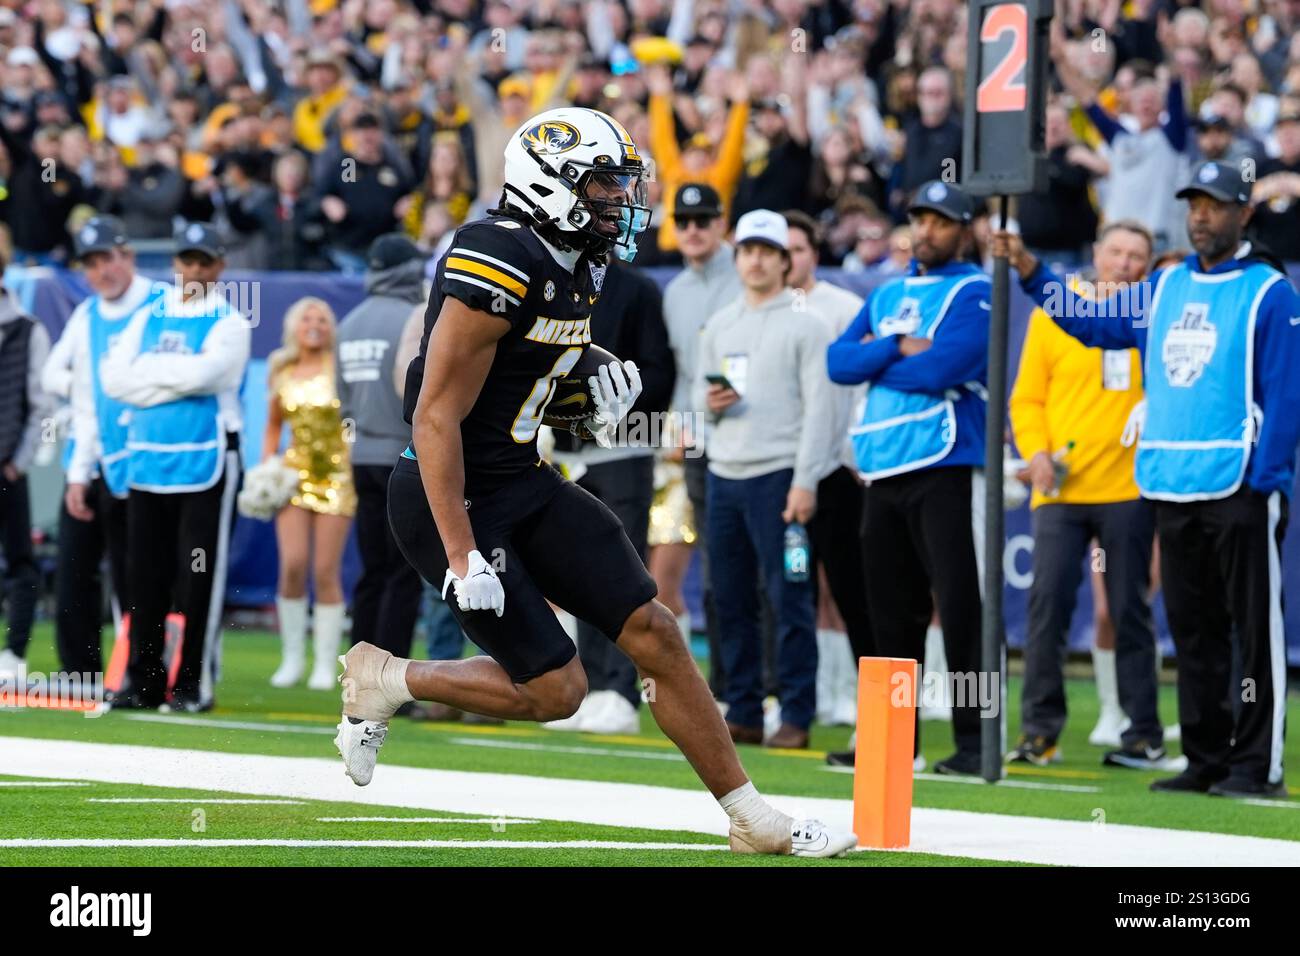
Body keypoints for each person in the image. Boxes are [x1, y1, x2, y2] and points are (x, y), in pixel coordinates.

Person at [336, 107, 855, 858]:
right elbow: (435, 416)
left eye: (622, 183)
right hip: (447, 490)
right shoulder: (494, 255)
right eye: (606, 183)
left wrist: (594, 363)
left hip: (523, 474)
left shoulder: (582, 257)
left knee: (656, 630)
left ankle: (751, 816)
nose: (621, 199)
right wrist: (461, 555)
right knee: (558, 691)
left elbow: (537, 346)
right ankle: (389, 676)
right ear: (549, 184)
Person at [993, 159, 1300, 799]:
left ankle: (1255, 766)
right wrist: (1030, 274)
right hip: (1169, 482)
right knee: (1192, 630)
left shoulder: (1271, 292)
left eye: (1215, 205)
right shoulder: (1162, 290)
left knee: (1255, 632)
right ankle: (1206, 756)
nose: (1201, 215)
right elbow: (1088, 323)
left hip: (1239, 484)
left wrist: (1264, 480)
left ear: (1245, 213)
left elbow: (1287, 394)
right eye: (1194, 204)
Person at [827, 181, 992, 776]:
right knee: (889, 614)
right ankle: (895, 739)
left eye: (942, 221)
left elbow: (948, 365)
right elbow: (837, 363)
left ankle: (977, 743)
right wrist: (896, 345)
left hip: (943, 465)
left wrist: (880, 360)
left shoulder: (977, 291)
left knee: (961, 606)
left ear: (967, 228)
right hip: (883, 471)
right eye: (920, 219)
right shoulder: (888, 293)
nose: (927, 231)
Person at [1006, 220, 1165, 769]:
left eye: (1136, 256)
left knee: (1129, 610)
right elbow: (1026, 398)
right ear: (1095, 253)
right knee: (1046, 607)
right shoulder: (1056, 310)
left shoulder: (1153, 312)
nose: (1124, 263)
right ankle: (1039, 733)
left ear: (1148, 265)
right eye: (1116, 251)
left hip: (1131, 485)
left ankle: (1142, 733)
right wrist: (1037, 453)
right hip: (1062, 487)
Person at [693, 209, 838, 751]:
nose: (754, 260)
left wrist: (806, 482)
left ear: (784, 261)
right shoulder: (720, 325)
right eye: (746, 250)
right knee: (729, 599)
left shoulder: (808, 324)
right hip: (725, 476)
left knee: (790, 595)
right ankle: (746, 709)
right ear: (737, 259)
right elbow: (695, 405)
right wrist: (708, 406)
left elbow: (821, 410)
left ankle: (797, 710)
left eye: (766, 251)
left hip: (780, 479)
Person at [100, 222, 251, 712]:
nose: (192, 270)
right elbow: (113, 378)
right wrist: (174, 383)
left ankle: (190, 684)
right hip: (148, 459)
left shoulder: (230, 321)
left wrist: (148, 378)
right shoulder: (149, 314)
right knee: (144, 574)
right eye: (186, 260)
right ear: (175, 263)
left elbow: (211, 374)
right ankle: (143, 683)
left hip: (206, 459)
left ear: (219, 267)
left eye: (203, 261)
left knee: (197, 576)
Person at [547, 252, 676, 735]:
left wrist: (604, 407)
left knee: (624, 572)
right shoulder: (558, 285)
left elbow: (658, 371)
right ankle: (594, 685)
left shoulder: (639, 290)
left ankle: (623, 690)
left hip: (623, 451)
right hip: (568, 454)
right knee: (575, 575)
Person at [41, 216, 161, 677]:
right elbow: (53, 374)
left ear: (126, 256)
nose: (100, 272)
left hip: (146, 460)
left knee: (139, 573)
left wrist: (104, 386)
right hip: (90, 458)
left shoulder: (159, 302)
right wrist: (91, 386)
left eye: (106, 259)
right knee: (74, 567)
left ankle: (142, 668)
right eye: (90, 264)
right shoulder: (87, 313)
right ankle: (80, 670)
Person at [782, 209, 873, 731]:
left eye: (798, 249)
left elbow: (857, 389)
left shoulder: (845, 308)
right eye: (781, 249)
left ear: (814, 253)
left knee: (847, 584)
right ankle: (807, 690)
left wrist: (858, 454)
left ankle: (855, 695)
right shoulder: (754, 310)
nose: (789, 259)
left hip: (836, 469)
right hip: (780, 471)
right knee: (794, 583)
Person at [660, 182, 742, 699]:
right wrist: (674, 426)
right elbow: (679, 372)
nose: (692, 230)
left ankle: (781, 689)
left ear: (720, 224)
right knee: (716, 571)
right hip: (696, 444)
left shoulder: (746, 275)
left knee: (763, 568)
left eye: (703, 220)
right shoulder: (675, 291)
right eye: (683, 221)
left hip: (750, 440)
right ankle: (730, 688)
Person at [335, 234, 429, 664]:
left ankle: (357, 667)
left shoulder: (350, 322)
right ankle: (388, 676)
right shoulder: (417, 317)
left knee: (372, 570)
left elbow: (344, 401)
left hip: (362, 458)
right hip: (403, 460)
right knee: (403, 572)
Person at [262, 297, 356, 690]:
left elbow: (353, 418)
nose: (314, 325)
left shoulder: (342, 367)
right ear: (294, 326)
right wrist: (267, 466)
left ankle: (324, 663)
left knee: (325, 570)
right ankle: (292, 658)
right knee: (294, 565)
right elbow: (272, 425)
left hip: (337, 476)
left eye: (322, 318)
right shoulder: (280, 369)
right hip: (293, 477)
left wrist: (352, 456)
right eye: (307, 319)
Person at [0, 252, 52, 681]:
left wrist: (18, 462)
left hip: (5, 468)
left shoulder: (27, 329)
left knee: (21, 560)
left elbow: (42, 406)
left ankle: (14, 654)